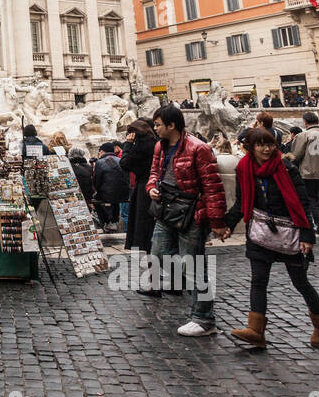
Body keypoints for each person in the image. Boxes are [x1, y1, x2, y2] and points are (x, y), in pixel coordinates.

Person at [225, 127, 319, 349]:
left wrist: (307, 234)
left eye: (271, 144)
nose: (267, 149)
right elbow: (241, 201)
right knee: (258, 281)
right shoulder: (244, 168)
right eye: (261, 145)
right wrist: (224, 224)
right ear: (250, 147)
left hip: (290, 232)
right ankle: (256, 330)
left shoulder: (286, 168)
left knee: (300, 282)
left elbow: (302, 202)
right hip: (259, 233)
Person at [147, 105, 228, 337]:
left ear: (171, 125)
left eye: (158, 124)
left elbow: (213, 187)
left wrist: (217, 221)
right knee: (158, 254)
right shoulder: (159, 147)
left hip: (192, 213)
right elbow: (154, 173)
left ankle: (204, 319)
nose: (155, 128)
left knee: (192, 266)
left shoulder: (198, 148)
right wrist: (152, 187)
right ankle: (187, 269)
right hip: (166, 210)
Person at [120, 121, 158, 284]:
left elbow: (125, 164)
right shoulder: (156, 142)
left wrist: (127, 145)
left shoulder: (141, 145)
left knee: (146, 235)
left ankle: (153, 277)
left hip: (145, 190)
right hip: (155, 187)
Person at [289, 111, 319, 234]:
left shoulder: (302, 135)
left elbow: (295, 156)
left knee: (312, 199)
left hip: (308, 173)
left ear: (305, 122)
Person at [92, 142, 127, 232]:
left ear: (102, 151)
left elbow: (97, 181)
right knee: (114, 200)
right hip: (122, 193)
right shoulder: (120, 160)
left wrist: (97, 191)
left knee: (95, 199)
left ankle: (106, 222)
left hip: (107, 194)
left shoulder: (99, 162)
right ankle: (114, 221)